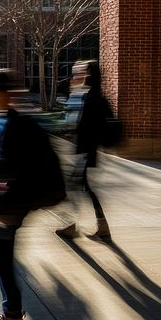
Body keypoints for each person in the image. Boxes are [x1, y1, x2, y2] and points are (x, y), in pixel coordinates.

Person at [0, 72, 64, 320]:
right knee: (2, 258)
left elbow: (8, 168)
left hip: (11, 204)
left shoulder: (15, 125)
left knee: (3, 260)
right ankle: (11, 316)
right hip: (8, 203)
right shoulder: (6, 120)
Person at [55, 60, 113, 242]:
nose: (77, 75)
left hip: (84, 151)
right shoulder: (98, 96)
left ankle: (77, 225)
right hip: (89, 150)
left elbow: (77, 124)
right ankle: (98, 226)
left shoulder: (87, 97)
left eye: (82, 72)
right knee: (82, 188)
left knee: (77, 187)